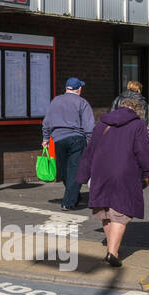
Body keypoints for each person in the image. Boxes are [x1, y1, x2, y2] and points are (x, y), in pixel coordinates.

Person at [76, 96, 149, 267]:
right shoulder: (138, 124)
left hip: (100, 171)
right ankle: (112, 252)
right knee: (121, 211)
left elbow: (90, 151)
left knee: (105, 210)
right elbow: (143, 151)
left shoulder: (102, 124)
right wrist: (148, 172)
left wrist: (82, 176)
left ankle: (111, 249)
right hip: (125, 173)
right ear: (138, 112)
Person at [41, 77, 96, 210]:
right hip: (77, 138)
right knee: (75, 170)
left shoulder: (55, 101)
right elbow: (89, 125)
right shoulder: (82, 102)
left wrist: (45, 138)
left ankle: (73, 195)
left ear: (66, 88)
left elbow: (46, 121)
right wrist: (90, 141)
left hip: (58, 139)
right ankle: (69, 201)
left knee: (64, 170)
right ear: (79, 89)